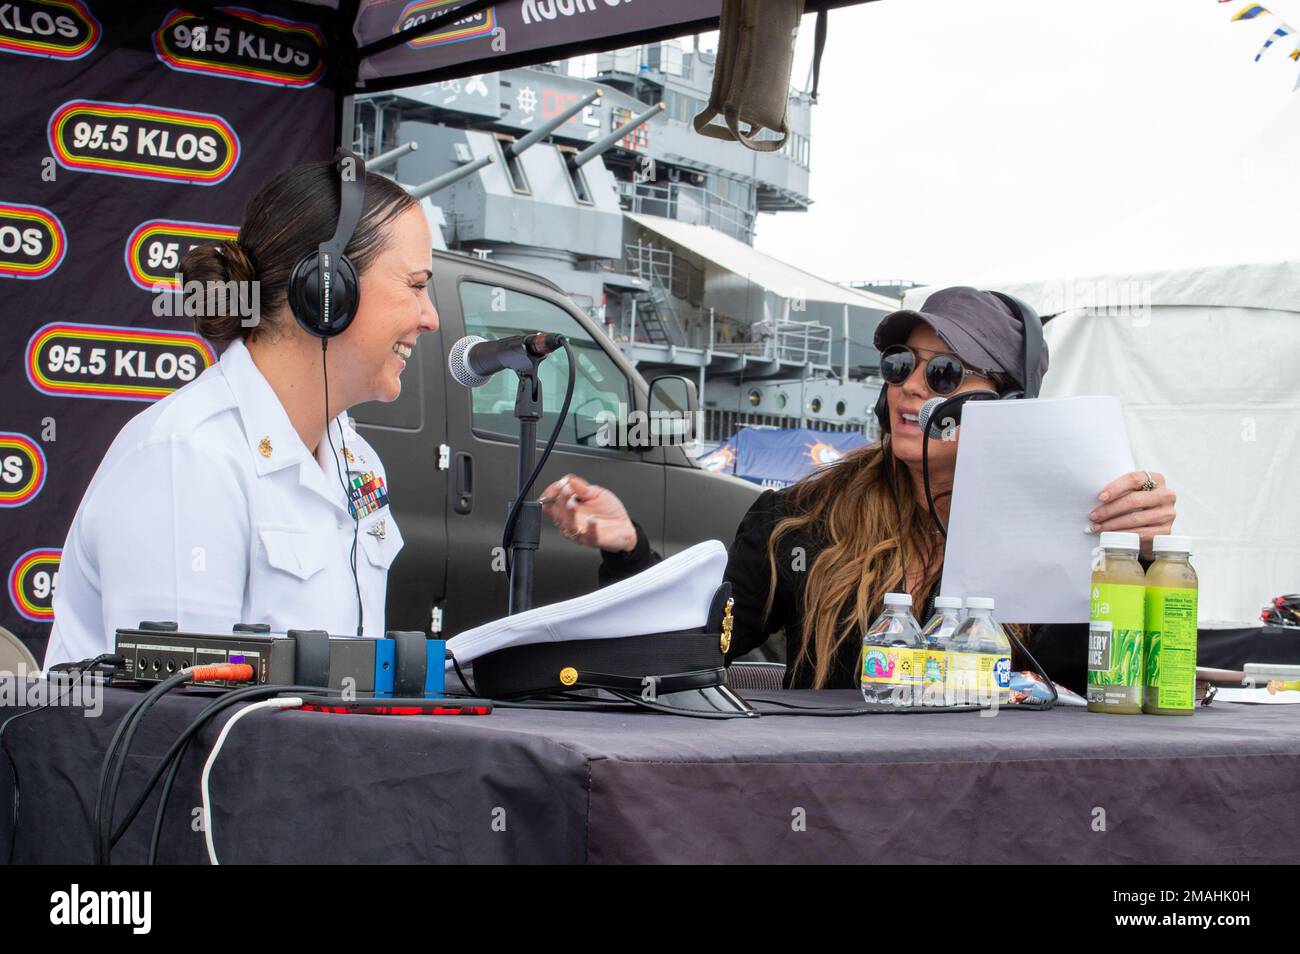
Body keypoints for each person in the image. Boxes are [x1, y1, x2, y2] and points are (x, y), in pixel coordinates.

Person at [540, 287, 1177, 693]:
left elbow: (1120, 687)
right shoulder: (800, 517)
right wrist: (627, 552)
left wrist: (1137, 559)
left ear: (1011, 401)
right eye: (902, 364)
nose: (913, 386)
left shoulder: (1078, 522)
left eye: (947, 372)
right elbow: (698, 646)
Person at [43, 158, 439, 668]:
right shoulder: (187, 459)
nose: (429, 318)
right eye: (415, 284)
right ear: (328, 290)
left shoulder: (357, 462)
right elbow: (180, 723)